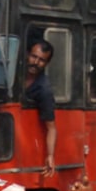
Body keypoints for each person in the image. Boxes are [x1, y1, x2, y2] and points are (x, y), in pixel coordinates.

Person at [23, 39, 56, 176]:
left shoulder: (44, 90)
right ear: (27, 54)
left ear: (47, 63)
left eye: (41, 60)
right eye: (33, 56)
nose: (35, 62)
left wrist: (50, 155)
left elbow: (51, 127)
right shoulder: (14, 72)